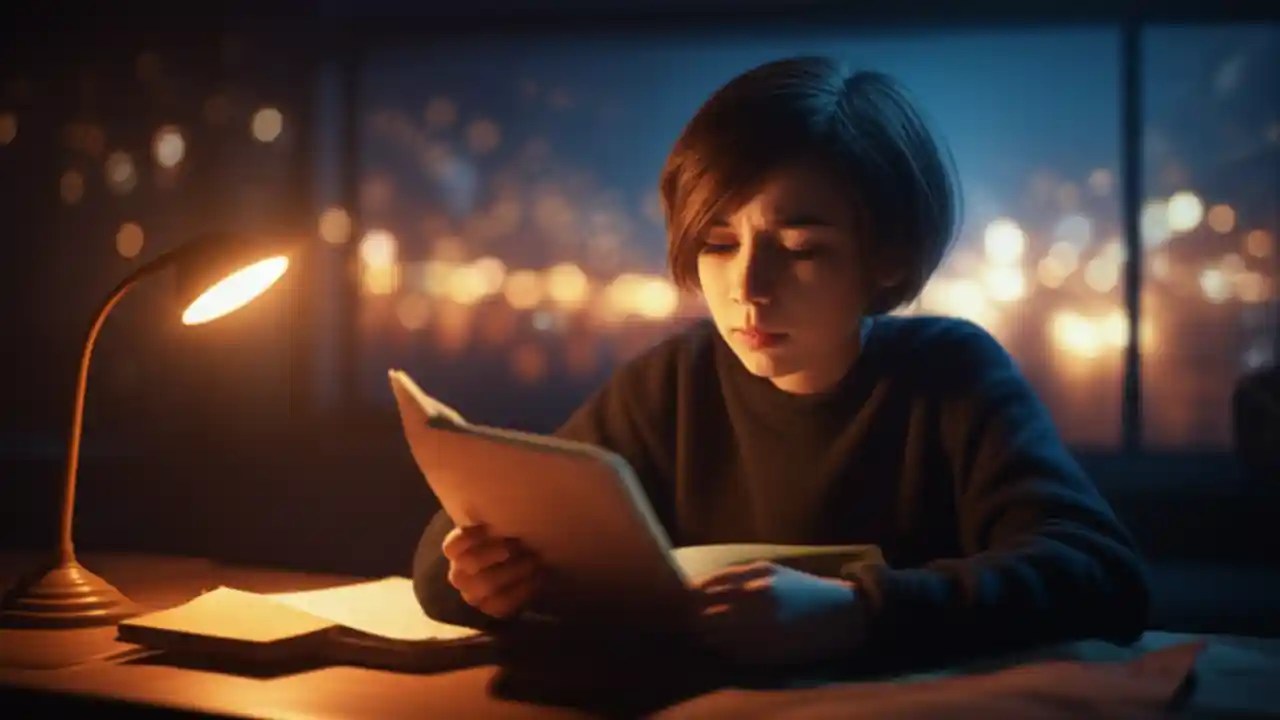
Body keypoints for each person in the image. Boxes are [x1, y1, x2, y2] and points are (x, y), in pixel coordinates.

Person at [412, 55, 1150, 668]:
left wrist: (862, 610)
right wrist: (478, 573)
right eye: (718, 244)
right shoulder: (672, 382)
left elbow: (1101, 575)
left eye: (800, 249)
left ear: (886, 257)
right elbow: (453, 555)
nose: (747, 290)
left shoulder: (949, 376)